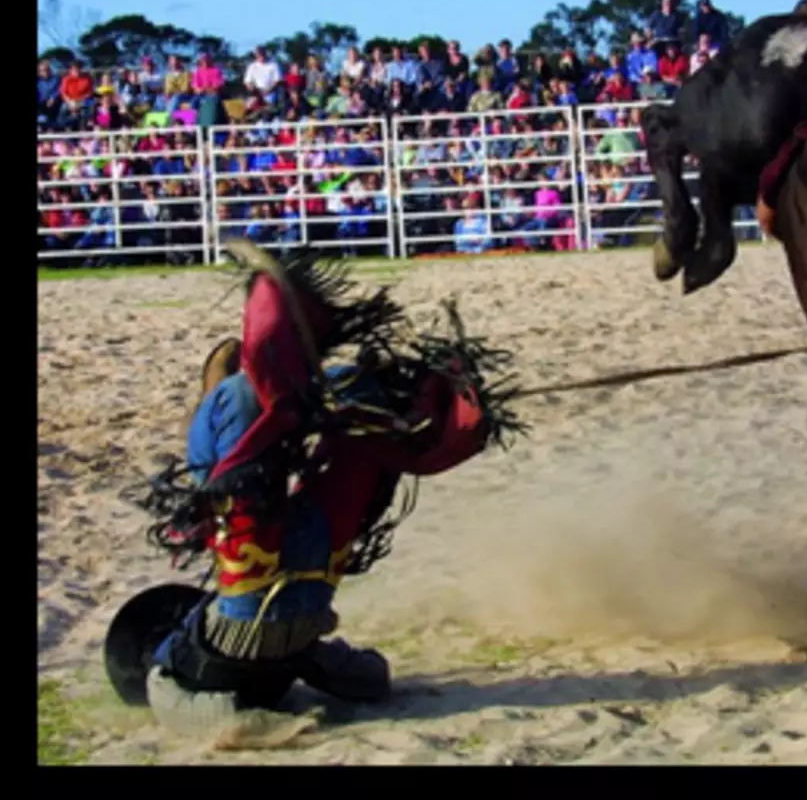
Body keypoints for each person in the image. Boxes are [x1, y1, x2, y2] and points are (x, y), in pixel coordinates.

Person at [113, 239, 525, 732]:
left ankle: (267, 395)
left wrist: (256, 715)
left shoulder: (184, 670)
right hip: (293, 562)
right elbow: (367, 678)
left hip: (282, 569)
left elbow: (365, 678)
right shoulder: (200, 662)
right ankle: (261, 393)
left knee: (274, 437)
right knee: (337, 420)